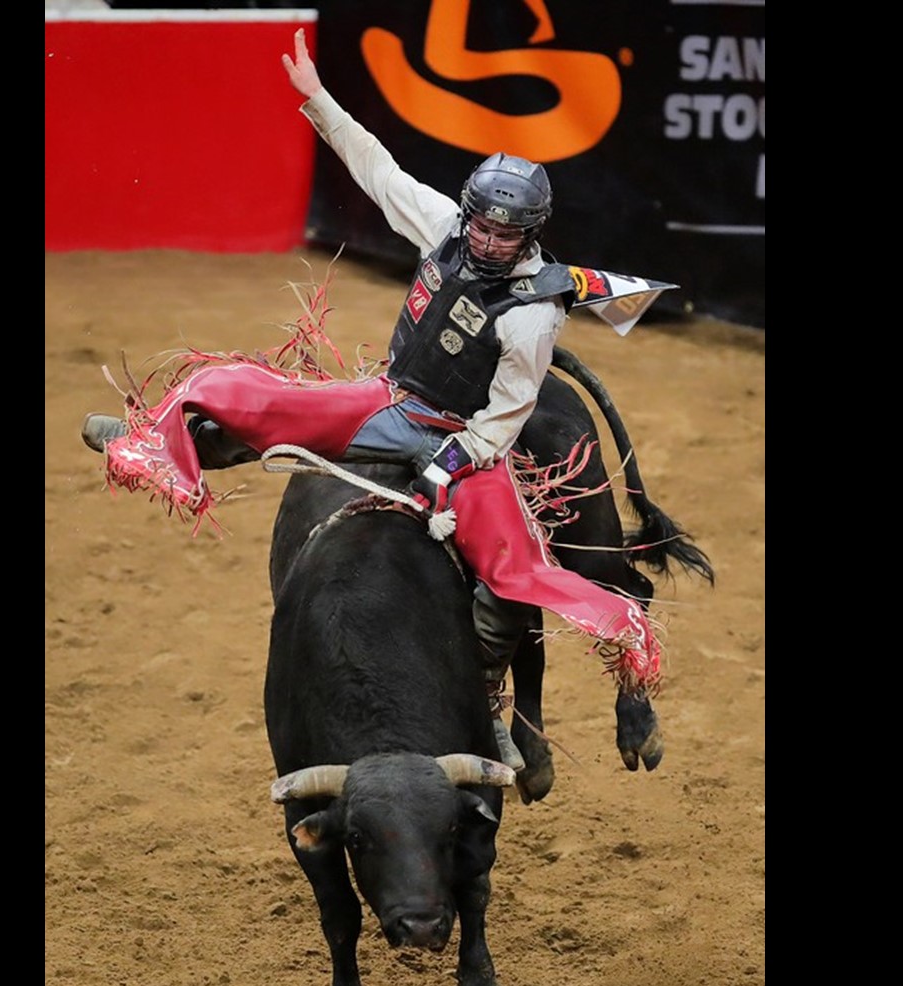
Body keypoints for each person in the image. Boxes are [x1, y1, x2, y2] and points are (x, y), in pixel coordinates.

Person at [80, 28, 660, 741]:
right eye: (480, 225)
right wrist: (319, 100)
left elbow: (500, 425)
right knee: (243, 390)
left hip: (463, 438)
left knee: (513, 576)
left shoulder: (535, 316)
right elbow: (379, 171)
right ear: (469, 211)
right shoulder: (446, 226)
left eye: (503, 235)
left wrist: (443, 477)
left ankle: (483, 697)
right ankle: (157, 444)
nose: (485, 241)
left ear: (530, 234)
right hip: (391, 400)